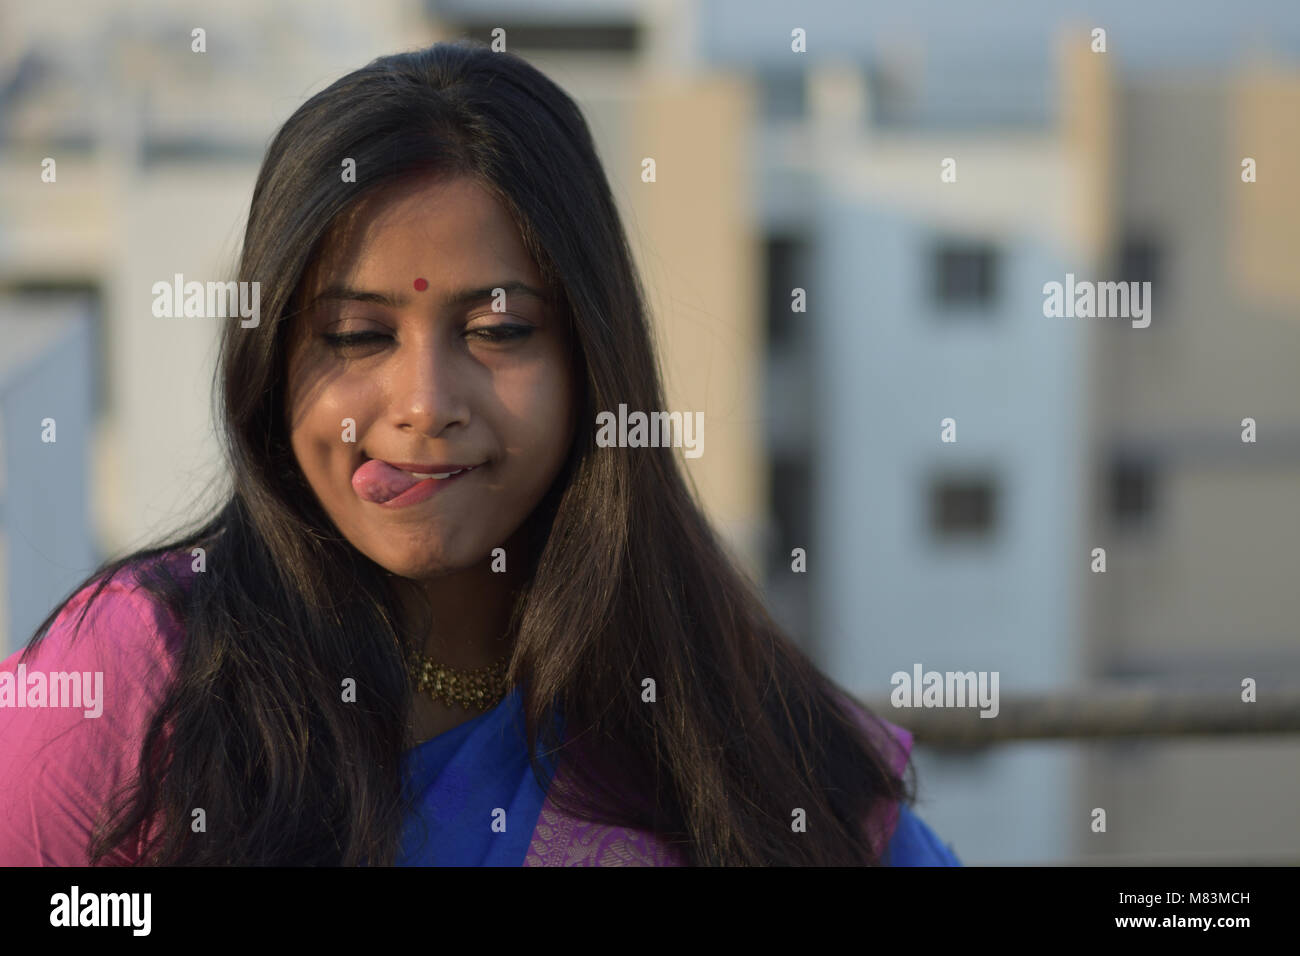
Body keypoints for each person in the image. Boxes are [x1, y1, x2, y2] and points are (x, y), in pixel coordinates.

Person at [0, 40, 959, 867]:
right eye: (356, 336)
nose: (424, 406)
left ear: (591, 357)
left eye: (499, 333)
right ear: (271, 364)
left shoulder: (725, 721)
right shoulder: (141, 680)